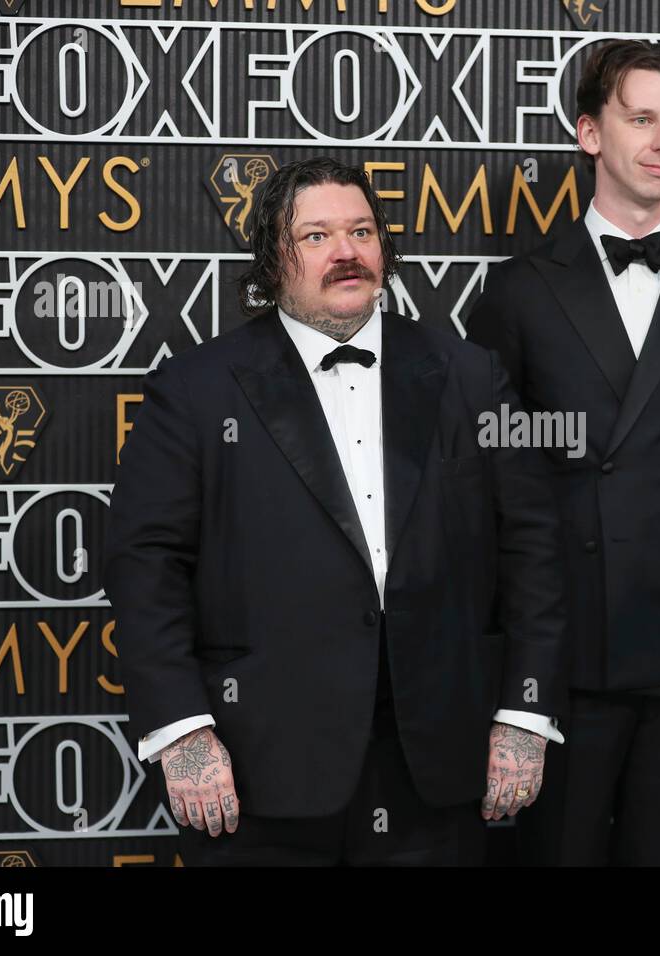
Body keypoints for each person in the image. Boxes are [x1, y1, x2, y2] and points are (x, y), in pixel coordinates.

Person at [104, 157, 568, 866]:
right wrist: (182, 730)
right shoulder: (197, 389)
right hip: (257, 770)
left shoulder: (471, 376)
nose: (346, 251)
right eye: (315, 236)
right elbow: (146, 565)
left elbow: (534, 548)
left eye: (361, 230)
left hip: (436, 767)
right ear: (270, 259)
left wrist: (525, 714)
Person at [466, 39, 660, 866]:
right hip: (565, 648)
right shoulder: (522, 288)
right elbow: (497, 461)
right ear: (591, 132)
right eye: (641, 119)